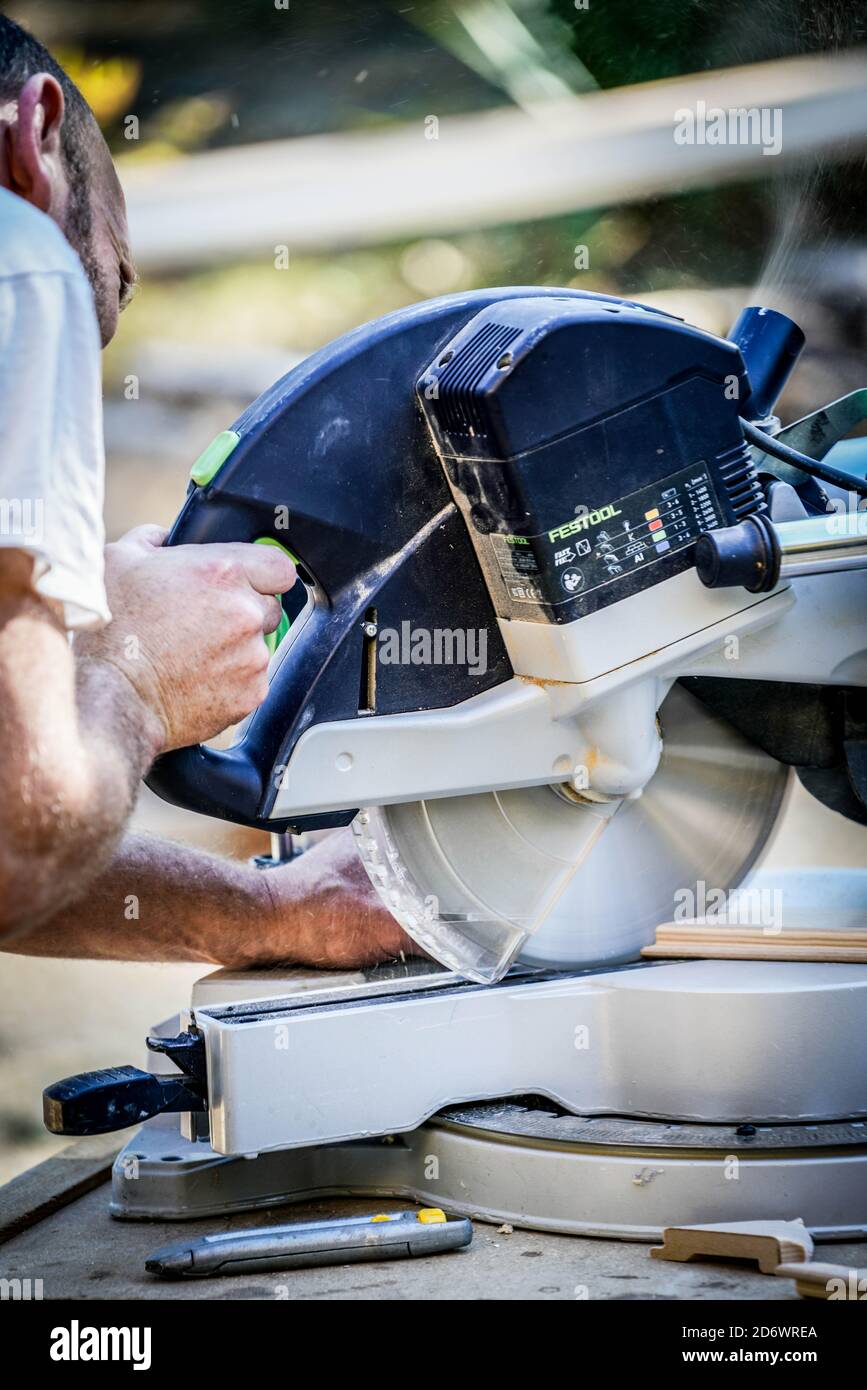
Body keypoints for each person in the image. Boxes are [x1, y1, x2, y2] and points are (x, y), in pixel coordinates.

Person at [0, 15, 409, 968]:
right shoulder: (20, 257)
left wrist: (280, 911)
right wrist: (130, 675)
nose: (108, 301)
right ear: (35, 137)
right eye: (120, 276)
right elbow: (18, 840)